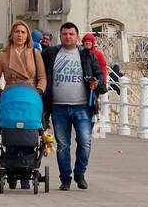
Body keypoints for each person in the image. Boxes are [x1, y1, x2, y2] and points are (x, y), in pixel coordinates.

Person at [42, 22, 103, 191]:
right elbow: (40, 74)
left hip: (82, 107)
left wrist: (97, 83)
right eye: (65, 34)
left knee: (85, 141)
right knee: (63, 145)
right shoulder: (50, 53)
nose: (68, 37)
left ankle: (80, 173)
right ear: (60, 36)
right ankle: (65, 178)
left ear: (77, 37)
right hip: (58, 107)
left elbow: (99, 75)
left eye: (71, 34)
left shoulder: (87, 55)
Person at [0, 21, 46, 97]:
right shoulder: (2, 55)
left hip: (31, 96)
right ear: (12, 35)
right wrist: (0, 93)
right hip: (11, 96)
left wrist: (39, 91)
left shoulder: (35, 53)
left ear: (27, 36)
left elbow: (42, 77)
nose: (20, 35)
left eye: (23, 32)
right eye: (17, 31)